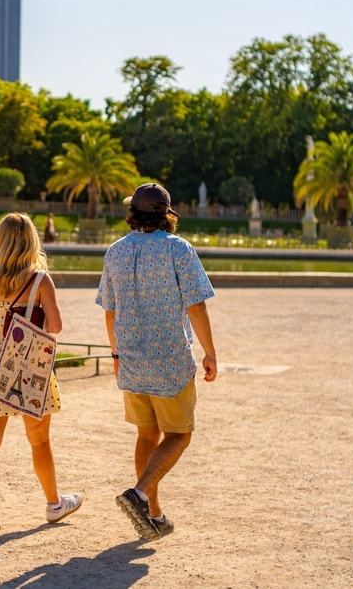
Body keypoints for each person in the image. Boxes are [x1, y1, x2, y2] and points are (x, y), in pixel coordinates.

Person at [96, 183, 217, 541]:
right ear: (166, 214)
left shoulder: (115, 251)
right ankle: (139, 494)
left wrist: (116, 354)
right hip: (170, 361)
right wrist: (210, 351)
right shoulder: (179, 249)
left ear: (133, 213)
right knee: (179, 434)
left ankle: (153, 512)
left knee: (147, 434)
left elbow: (109, 311)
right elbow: (196, 305)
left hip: (131, 359)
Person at [0, 213, 82, 532]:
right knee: (39, 441)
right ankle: (54, 504)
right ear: (31, 242)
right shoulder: (40, 280)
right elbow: (55, 327)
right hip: (27, 365)